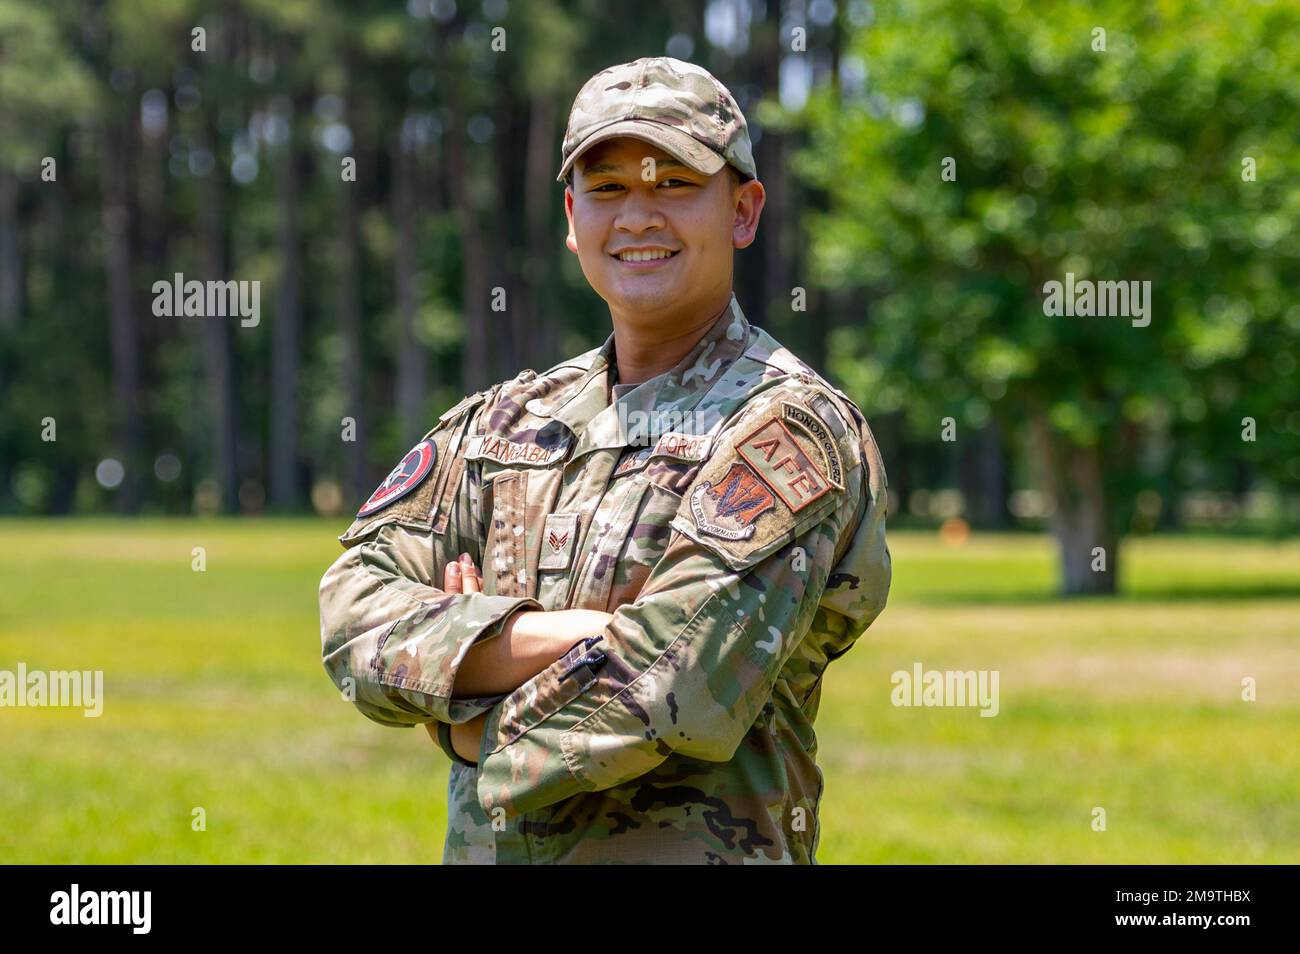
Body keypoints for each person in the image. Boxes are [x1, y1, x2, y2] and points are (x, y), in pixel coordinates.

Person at [319, 55, 891, 864]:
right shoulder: (508, 418)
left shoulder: (790, 430)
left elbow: (671, 688)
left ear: (744, 209)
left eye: (675, 185)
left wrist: (462, 717)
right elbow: (350, 615)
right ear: (571, 213)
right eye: (610, 187)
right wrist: (572, 633)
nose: (639, 218)